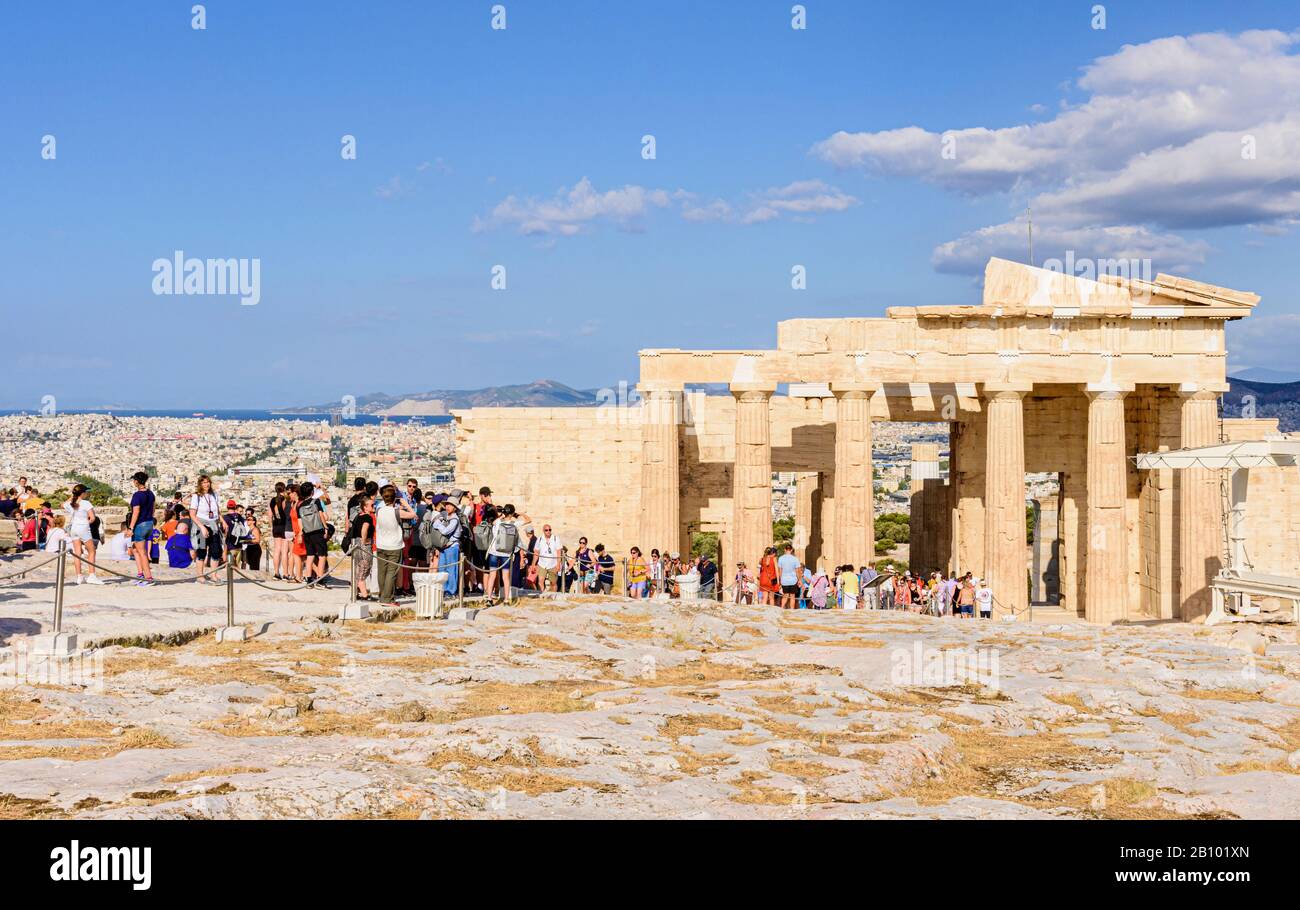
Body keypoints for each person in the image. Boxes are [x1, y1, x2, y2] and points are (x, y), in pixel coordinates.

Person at [374, 483, 414, 606]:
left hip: (381, 544)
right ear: (394, 497)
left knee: (382, 572)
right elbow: (413, 514)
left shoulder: (379, 510)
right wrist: (405, 503)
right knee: (392, 572)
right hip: (394, 545)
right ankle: (388, 599)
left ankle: (382, 596)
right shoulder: (396, 512)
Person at [63, 483, 103, 585]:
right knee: (92, 551)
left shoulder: (71, 503)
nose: (86, 493)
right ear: (83, 493)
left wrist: (72, 497)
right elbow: (93, 518)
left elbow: (62, 504)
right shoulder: (86, 503)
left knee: (77, 553)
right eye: (85, 492)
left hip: (74, 528)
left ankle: (79, 576)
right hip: (83, 528)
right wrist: (86, 523)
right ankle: (92, 575)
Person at [484, 504, 522, 604]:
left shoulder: (497, 522)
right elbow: (528, 520)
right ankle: (506, 599)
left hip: (494, 552)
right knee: (506, 577)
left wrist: (501, 515)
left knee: (492, 575)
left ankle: (489, 598)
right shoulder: (515, 524)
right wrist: (518, 515)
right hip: (506, 553)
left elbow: (494, 522)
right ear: (512, 513)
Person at [296, 481, 330, 587]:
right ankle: (319, 579)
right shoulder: (316, 502)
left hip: (306, 532)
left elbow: (299, 521)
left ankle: (309, 579)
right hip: (317, 530)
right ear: (312, 491)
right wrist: (325, 528)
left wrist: (301, 533)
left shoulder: (299, 506)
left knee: (310, 555)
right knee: (322, 555)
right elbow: (321, 515)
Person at [189, 475, 222, 584]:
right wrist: (202, 527)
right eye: (203, 482)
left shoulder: (214, 495)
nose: (206, 484)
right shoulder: (196, 496)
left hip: (213, 525)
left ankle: (214, 575)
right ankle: (200, 576)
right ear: (200, 484)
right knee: (201, 551)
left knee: (216, 551)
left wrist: (223, 521)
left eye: (208, 482)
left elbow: (217, 511)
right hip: (201, 525)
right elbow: (192, 514)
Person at [126, 471, 156, 586]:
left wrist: (131, 528)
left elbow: (135, 512)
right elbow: (153, 509)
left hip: (140, 525)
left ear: (137, 482)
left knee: (142, 552)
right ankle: (140, 575)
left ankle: (148, 578)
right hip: (149, 523)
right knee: (135, 549)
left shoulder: (137, 495)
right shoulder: (151, 493)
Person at [430, 496, 462, 599]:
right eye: (447, 504)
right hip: (444, 547)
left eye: (450, 505)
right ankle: (443, 590)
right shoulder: (446, 517)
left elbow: (445, 531)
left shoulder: (455, 519)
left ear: (455, 508)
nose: (447, 507)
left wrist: (437, 523)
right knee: (442, 569)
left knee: (451, 570)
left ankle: (451, 592)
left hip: (452, 547)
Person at [348, 495, 375, 600]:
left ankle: (355, 592)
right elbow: (364, 529)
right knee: (364, 568)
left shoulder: (358, 516)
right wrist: (365, 541)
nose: (374, 506)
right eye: (371, 505)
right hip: (363, 545)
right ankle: (364, 595)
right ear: (365, 507)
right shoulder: (368, 517)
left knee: (359, 568)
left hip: (356, 544)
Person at [535, 524, 562, 593]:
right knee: (540, 581)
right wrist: (533, 564)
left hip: (553, 564)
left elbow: (559, 553)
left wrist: (558, 564)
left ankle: (553, 596)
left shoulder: (556, 538)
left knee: (553, 583)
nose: (548, 531)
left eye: (550, 530)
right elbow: (536, 552)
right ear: (543, 531)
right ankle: (542, 595)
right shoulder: (540, 539)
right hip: (542, 564)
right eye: (546, 530)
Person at [776, 543, 801, 610]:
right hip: (793, 580)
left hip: (784, 580)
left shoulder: (781, 558)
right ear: (791, 550)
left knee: (785, 595)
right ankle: (792, 609)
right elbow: (797, 571)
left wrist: (780, 581)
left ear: (785, 550)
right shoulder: (795, 559)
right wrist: (799, 580)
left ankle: (782, 608)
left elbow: (780, 571)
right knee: (792, 596)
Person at [244, 507, 263, 573]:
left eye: (249, 519)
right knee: (251, 565)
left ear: (253, 521)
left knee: (254, 566)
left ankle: (256, 579)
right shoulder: (250, 530)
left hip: (255, 549)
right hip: (250, 548)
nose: (247, 521)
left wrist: (247, 541)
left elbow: (257, 540)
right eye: (247, 519)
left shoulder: (255, 529)